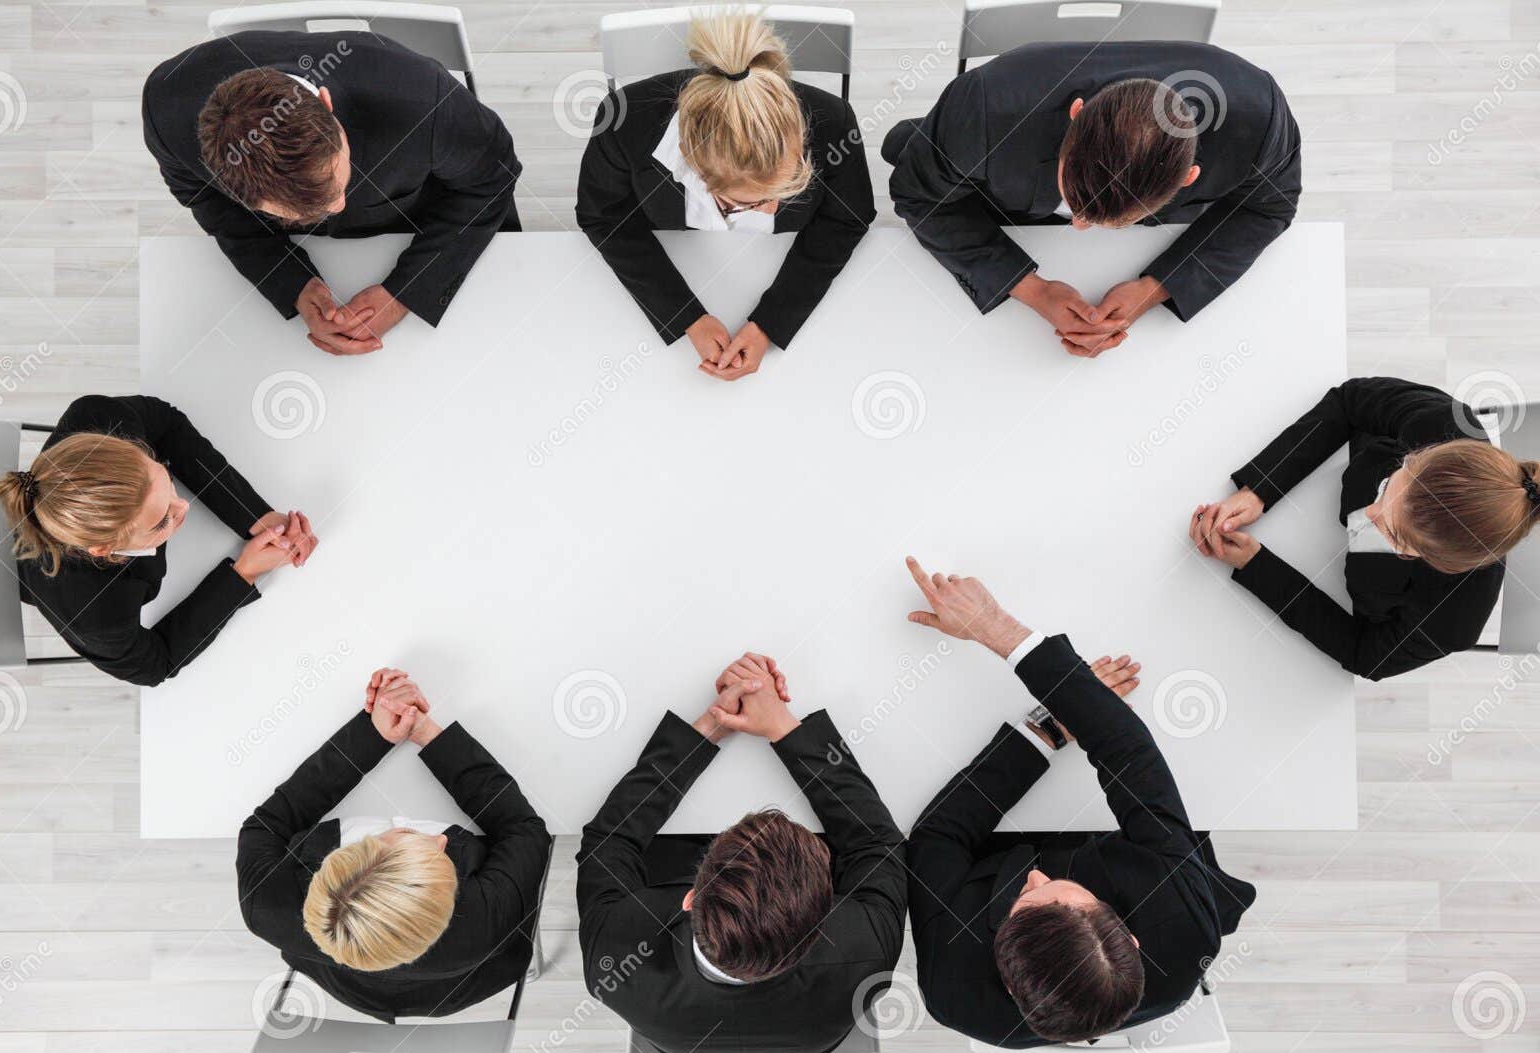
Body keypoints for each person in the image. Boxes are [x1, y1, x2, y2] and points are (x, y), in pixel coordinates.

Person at [900, 559, 1255, 1047]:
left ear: (1005, 973)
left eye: (1025, 901)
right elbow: (1130, 757)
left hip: (995, 846)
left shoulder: (953, 986)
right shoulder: (1184, 924)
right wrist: (998, 630)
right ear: (1128, 941)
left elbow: (938, 835)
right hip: (1133, 848)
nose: (1036, 877)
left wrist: (1047, 729)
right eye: (1063, 894)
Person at [576, 652, 906, 1053]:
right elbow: (877, 843)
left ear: (691, 899)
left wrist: (708, 728)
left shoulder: (616, 961)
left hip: (686, 1040)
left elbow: (608, 840)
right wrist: (784, 727)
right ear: (825, 917)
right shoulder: (866, 949)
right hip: (803, 1041)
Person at [885, 41, 1300, 358]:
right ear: (1077, 113)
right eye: (1077, 205)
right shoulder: (983, 106)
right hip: (998, 190)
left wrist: (1154, 288)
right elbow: (919, 195)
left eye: (1106, 221)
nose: (1079, 227)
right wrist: (1030, 288)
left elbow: (1269, 206)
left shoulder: (1259, 122)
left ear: (1190, 177)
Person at [142, 32, 521, 355]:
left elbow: (494, 176)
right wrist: (292, 282)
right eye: (298, 209)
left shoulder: (423, 101)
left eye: (336, 183)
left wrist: (409, 289)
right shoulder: (166, 111)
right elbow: (207, 202)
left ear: (326, 103)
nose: (337, 206)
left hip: (432, 213)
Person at [237, 668, 551, 1023]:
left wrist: (373, 734)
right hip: (460, 985)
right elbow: (523, 829)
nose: (440, 839)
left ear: (352, 852)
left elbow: (266, 826)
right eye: (437, 853)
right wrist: (426, 733)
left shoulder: (265, 907)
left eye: (409, 840)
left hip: (351, 987)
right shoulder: (485, 921)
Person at [576, 9, 874, 380]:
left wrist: (772, 322)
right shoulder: (621, 122)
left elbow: (848, 218)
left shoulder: (834, 121)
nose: (771, 207)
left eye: (786, 187)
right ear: (692, 166)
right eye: (746, 203)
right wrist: (684, 315)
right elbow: (603, 217)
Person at [1190, 377, 1539, 679]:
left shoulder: (1452, 622)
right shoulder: (1445, 425)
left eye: (1395, 535)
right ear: (1417, 456)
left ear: (1440, 563)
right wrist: (1262, 487)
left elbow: (1363, 653)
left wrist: (1256, 566)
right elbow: (1350, 401)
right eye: (1389, 486)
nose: (1369, 514)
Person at [0, 394, 316, 687]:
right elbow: (156, 663)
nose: (184, 507)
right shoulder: (94, 616)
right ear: (104, 549)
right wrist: (244, 572)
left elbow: (166, 426)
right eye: (162, 519)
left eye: (160, 472)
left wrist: (252, 515)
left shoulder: (97, 417)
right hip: (27, 576)